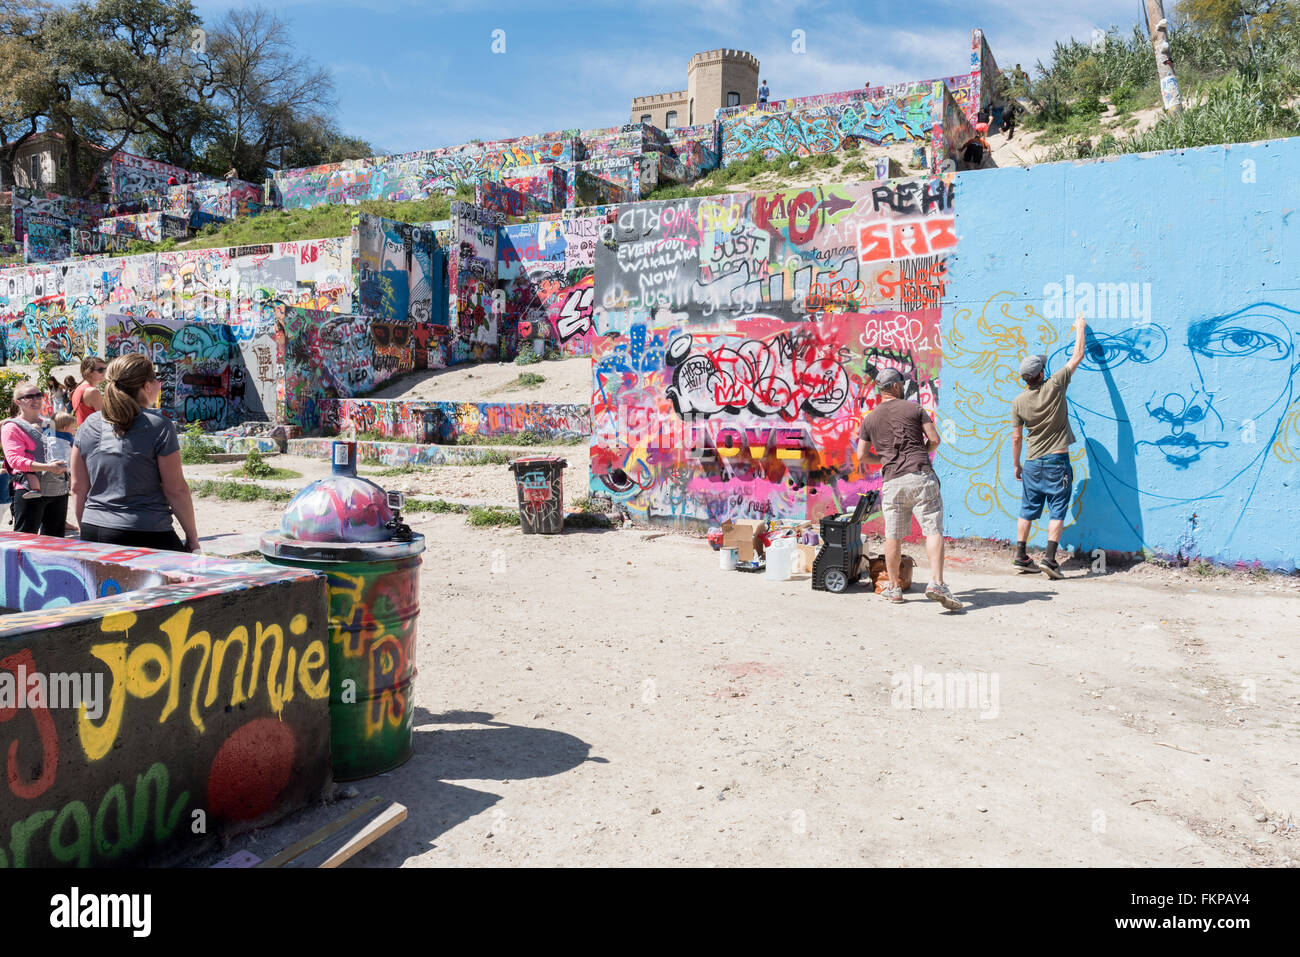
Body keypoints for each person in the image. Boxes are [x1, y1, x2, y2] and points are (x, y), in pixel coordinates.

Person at [70, 354, 200, 552]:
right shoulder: (159, 426)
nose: (160, 382)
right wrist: (192, 539)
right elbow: (176, 490)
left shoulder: (89, 424)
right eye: (156, 377)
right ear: (146, 386)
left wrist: (85, 530)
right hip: (145, 530)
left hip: (93, 527)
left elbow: (78, 487)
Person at [856, 368, 962, 610]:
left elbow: (862, 455)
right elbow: (935, 439)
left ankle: (893, 588)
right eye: (901, 383)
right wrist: (922, 450)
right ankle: (936, 582)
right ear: (894, 386)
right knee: (932, 529)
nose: (903, 386)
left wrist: (883, 460)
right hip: (920, 475)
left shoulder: (869, 419)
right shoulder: (914, 408)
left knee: (893, 536)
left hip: (892, 482)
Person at [1011, 314, 1089, 579]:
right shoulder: (1055, 385)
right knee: (1057, 508)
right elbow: (1077, 355)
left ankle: (1021, 556)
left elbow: (1016, 438)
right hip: (1057, 462)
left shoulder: (1018, 402)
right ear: (1041, 374)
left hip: (1031, 463)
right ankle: (1050, 559)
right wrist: (1080, 328)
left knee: (1027, 509)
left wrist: (1016, 463)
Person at [2, 383, 70, 535]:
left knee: (55, 543)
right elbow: (15, 460)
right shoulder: (12, 427)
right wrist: (48, 467)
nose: (36, 399)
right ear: (18, 402)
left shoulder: (49, 423)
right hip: (29, 491)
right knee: (25, 542)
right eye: (29, 396)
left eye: (39, 395)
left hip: (57, 488)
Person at [72, 355, 107, 425]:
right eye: (100, 370)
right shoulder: (92, 392)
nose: (105, 372)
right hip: (93, 433)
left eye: (105, 369)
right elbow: (105, 418)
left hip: (84, 432)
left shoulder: (79, 388)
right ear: (89, 372)